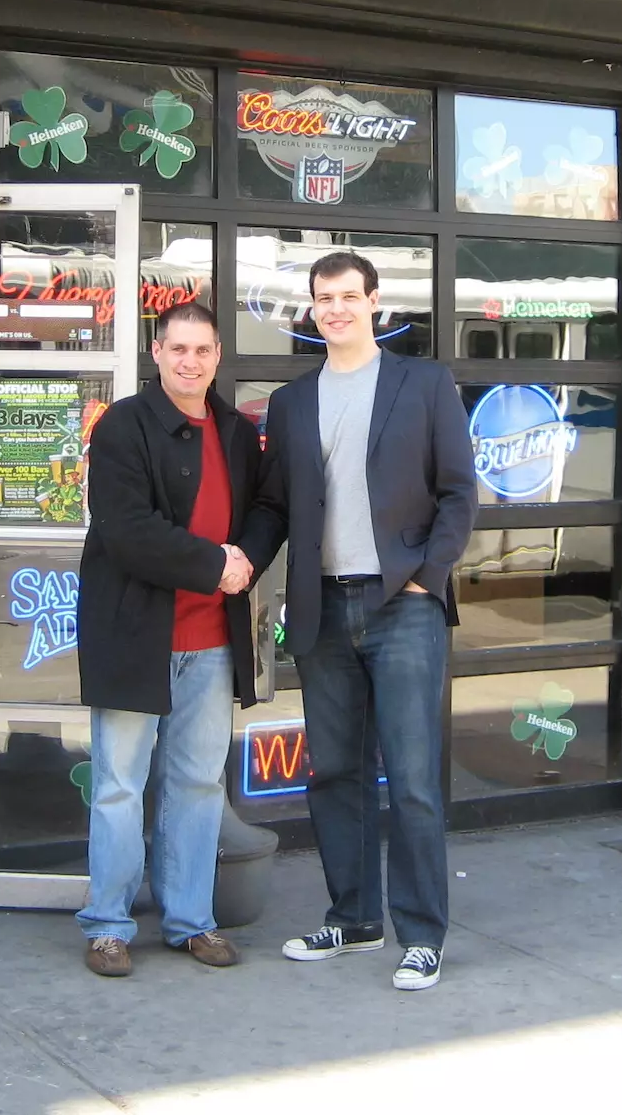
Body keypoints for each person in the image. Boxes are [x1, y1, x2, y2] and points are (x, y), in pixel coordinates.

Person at [244, 250, 477, 991]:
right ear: (311, 310)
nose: (335, 309)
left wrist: (426, 581)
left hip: (401, 604)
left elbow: (458, 494)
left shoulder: (424, 383)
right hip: (321, 606)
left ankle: (422, 934)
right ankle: (353, 918)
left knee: (410, 779)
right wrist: (239, 560)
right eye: (323, 298)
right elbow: (276, 506)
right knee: (336, 773)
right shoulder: (291, 403)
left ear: (375, 302)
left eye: (349, 296)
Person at [73, 301, 262, 978]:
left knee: (196, 783)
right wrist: (216, 563)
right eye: (177, 348)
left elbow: (267, 510)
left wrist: (247, 561)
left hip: (211, 640)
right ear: (157, 353)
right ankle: (108, 926)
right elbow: (125, 529)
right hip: (136, 635)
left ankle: (190, 921)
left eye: (203, 350)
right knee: (120, 785)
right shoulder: (124, 425)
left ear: (217, 356)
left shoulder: (237, 432)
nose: (190, 361)